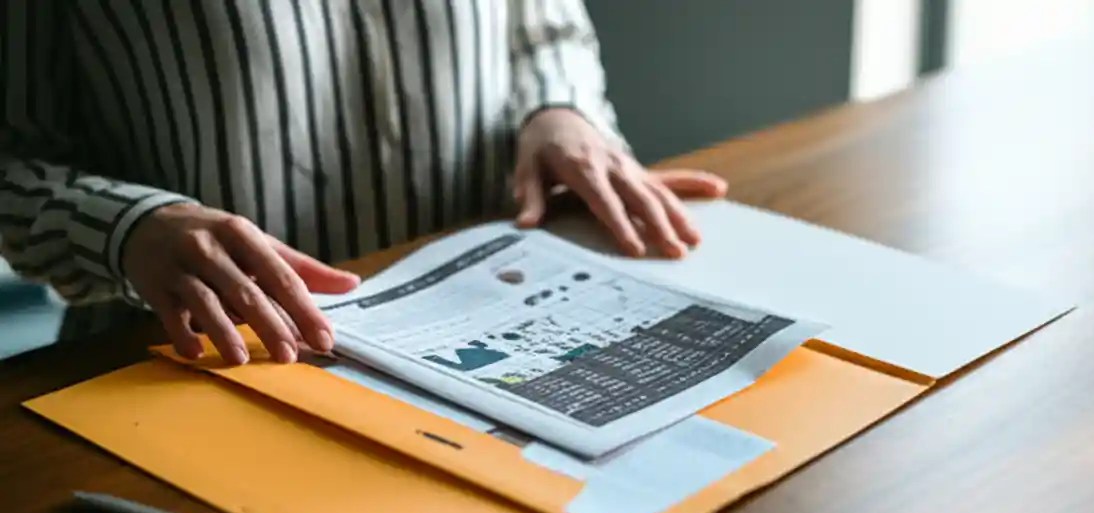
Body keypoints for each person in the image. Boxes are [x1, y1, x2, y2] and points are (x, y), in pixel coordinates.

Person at [0, 0, 727, 364]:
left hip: (497, 335)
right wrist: (130, 228)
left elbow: (543, 29)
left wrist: (559, 106)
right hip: (204, 364)